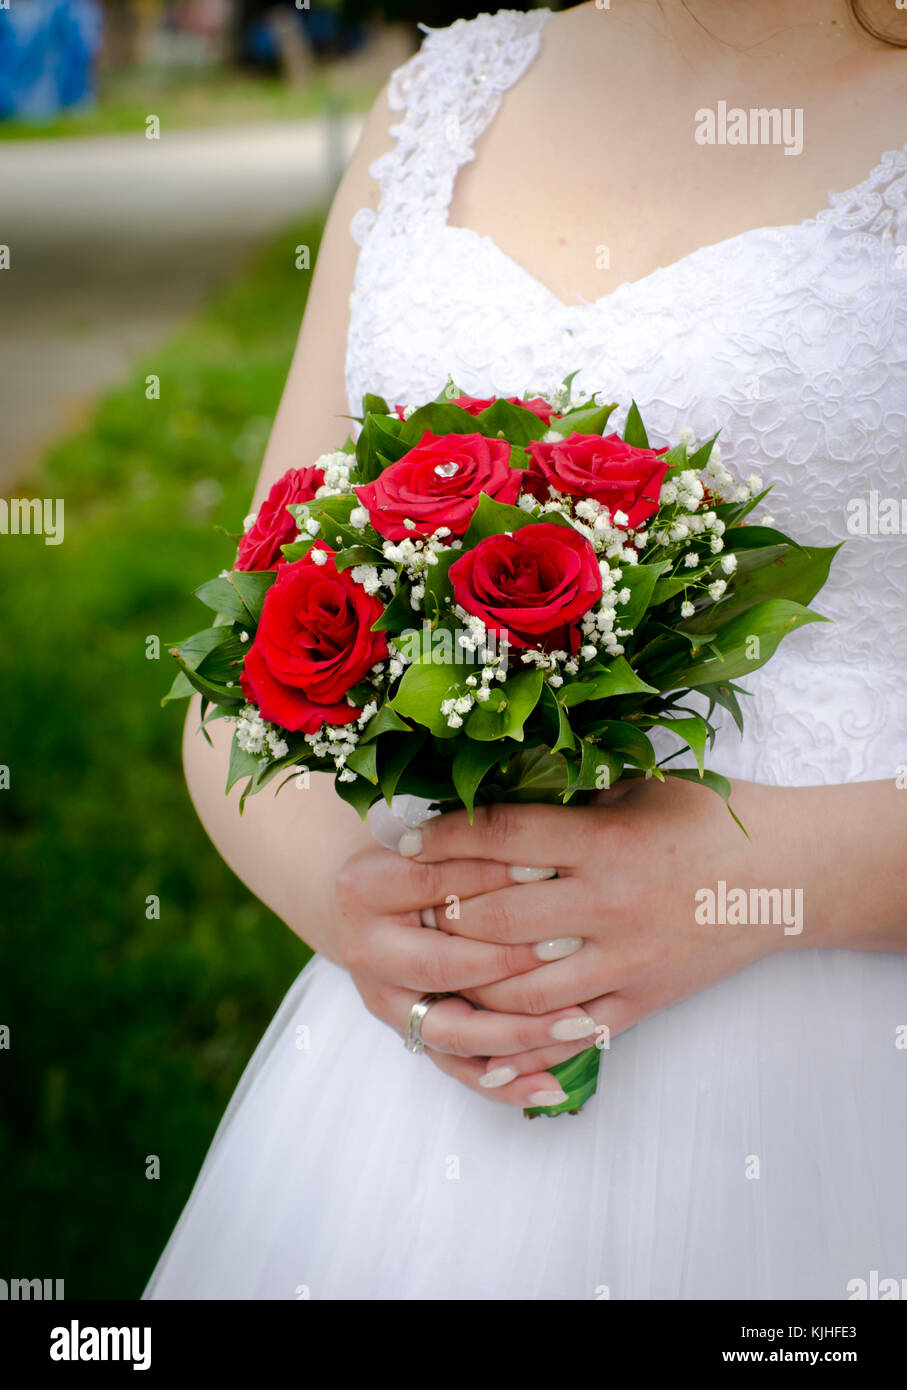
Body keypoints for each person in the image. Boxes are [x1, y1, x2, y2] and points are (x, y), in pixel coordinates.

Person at [144, 0, 907, 1299]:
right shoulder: (439, 101)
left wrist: (753, 880)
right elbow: (239, 680)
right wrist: (357, 906)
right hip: (422, 1103)